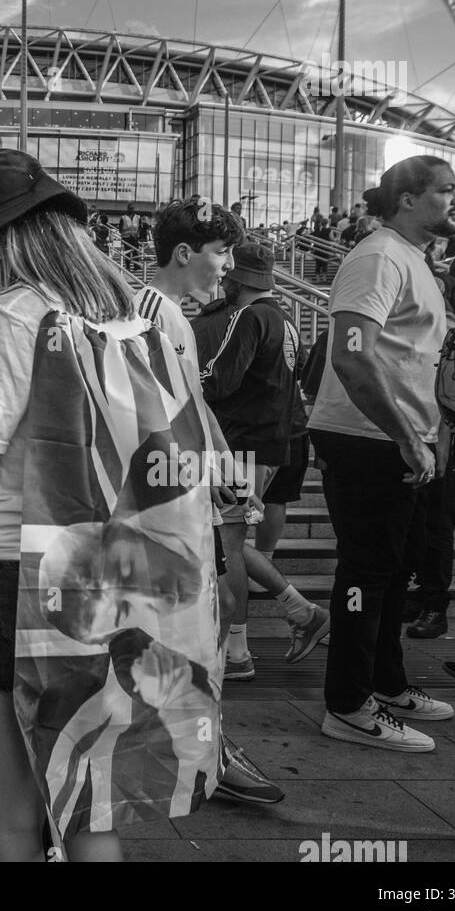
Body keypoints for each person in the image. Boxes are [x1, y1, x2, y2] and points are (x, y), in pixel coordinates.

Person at [0, 151, 224, 861]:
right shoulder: (135, 321)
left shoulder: (7, 316)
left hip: (10, 580)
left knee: (8, 819)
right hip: (113, 581)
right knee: (90, 813)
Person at [134, 197, 284, 805]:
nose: (228, 267)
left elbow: (194, 406)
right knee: (194, 624)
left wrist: (221, 465)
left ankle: (206, 749)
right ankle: (203, 753)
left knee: (205, 623)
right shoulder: (152, 312)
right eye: (222, 253)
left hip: (186, 486)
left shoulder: (174, 313)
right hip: (167, 498)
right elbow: (157, 416)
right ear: (183, 253)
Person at [309, 155, 455, 752]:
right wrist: (402, 434)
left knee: (397, 569)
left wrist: (427, 434)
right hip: (368, 439)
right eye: (445, 191)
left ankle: (387, 683)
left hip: (402, 438)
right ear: (407, 199)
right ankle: (347, 704)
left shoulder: (414, 260)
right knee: (367, 573)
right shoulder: (377, 256)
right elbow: (351, 352)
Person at [193, 241, 330, 669]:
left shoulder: (249, 317)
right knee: (226, 539)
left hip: (246, 441)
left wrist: (180, 374)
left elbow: (221, 380)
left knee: (227, 544)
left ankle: (237, 652)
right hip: (274, 440)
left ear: (238, 280)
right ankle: (300, 611)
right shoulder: (285, 318)